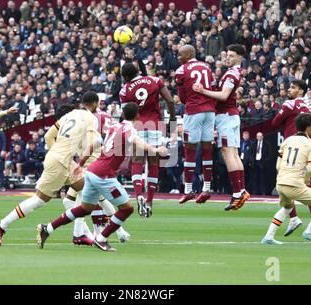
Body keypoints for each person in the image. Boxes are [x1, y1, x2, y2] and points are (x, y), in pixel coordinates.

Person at [35, 102, 167, 252]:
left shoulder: (113, 128)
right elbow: (138, 142)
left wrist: (81, 163)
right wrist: (156, 150)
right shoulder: (129, 129)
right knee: (127, 209)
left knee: (85, 208)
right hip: (103, 176)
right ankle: (101, 238)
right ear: (138, 115)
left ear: (123, 115)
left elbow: (92, 145)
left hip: (91, 171)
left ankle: (47, 229)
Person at [0, 92, 102, 246]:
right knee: (40, 200)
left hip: (63, 159)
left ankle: (79, 234)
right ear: (96, 104)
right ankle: (2, 225)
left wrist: (55, 152)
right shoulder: (92, 118)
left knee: (86, 192)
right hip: (61, 161)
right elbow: (91, 143)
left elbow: (48, 136)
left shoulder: (70, 115)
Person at [43, 102, 131, 245]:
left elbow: (90, 148)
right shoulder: (87, 123)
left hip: (93, 169)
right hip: (90, 167)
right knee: (74, 201)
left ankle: (103, 233)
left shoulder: (81, 129)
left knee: (96, 202)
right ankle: (87, 233)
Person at [193, 44, 250, 211]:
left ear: (240, 57)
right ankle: (242, 190)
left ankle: (238, 192)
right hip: (231, 116)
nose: (227, 58)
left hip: (225, 116)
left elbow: (224, 96)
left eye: (231, 55)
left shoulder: (232, 74)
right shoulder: (234, 72)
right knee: (233, 154)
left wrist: (202, 91)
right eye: (227, 55)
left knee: (228, 154)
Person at [261, 113, 311, 245]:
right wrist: (306, 179)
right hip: (294, 183)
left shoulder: (287, 140)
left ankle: (268, 237)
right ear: (308, 128)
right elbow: (310, 169)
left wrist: (284, 176)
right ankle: (310, 231)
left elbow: (278, 164)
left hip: (280, 182)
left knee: (287, 207)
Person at [120, 63, 176, 217]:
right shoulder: (155, 80)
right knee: (153, 163)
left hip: (137, 125)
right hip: (156, 126)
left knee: (137, 161)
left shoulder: (125, 90)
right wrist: (172, 120)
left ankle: (138, 195)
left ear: (125, 77)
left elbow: (125, 114)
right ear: (138, 71)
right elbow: (170, 101)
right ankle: (150, 201)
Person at [271, 80, 311, 236]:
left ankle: (294, 218)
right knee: (306, 185)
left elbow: (274, 123)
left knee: (284, 183)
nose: (289, 89)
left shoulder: (289, 105)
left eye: (293, 87)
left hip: (290, 150)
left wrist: (281, 114)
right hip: (305, 150)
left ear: (301, 91)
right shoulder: (308, 109)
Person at [175, 44, 217, 205]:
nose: (178, 57)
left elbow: (183, 98)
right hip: (210, 111)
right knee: (207, 149)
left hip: (194, 111)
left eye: (180, 55)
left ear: (188, 54)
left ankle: (188, 190)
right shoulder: (206, 67)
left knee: (189, 149)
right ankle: (206, 188)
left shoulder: (181, 70)